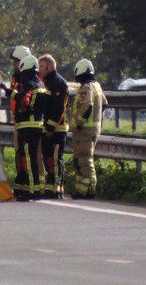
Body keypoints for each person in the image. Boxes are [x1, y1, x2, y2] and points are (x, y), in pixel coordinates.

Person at [12, 55, 48, 201]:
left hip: (26, 126)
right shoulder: (41, 84)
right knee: (36, 157)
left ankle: (32, 190)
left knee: (28, 158)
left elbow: (23, 103)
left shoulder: (29, 85)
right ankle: (38, 188)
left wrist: (12, 94)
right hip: (38, 125)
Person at [71, 58, 108, 199]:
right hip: (92, 130)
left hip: (84, 131)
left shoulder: (86, 88)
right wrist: (97, 120)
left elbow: (87, 106)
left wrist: (79, 122)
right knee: (82, 160)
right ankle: (82, 190)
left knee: (84, 161)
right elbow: (105, 103)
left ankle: (88, 191)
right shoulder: (97, 86)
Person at [38, 54, 69, 199]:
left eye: (41, 67)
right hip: (48, 127)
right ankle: (50, 189)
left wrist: (50, 127)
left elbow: (59, 108)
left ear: (49, 67)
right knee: (48, 159)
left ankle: (57, 190)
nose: (39, 70)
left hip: (57, 128)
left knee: (56, 160)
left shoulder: (58, 82)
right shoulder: (47, 82)